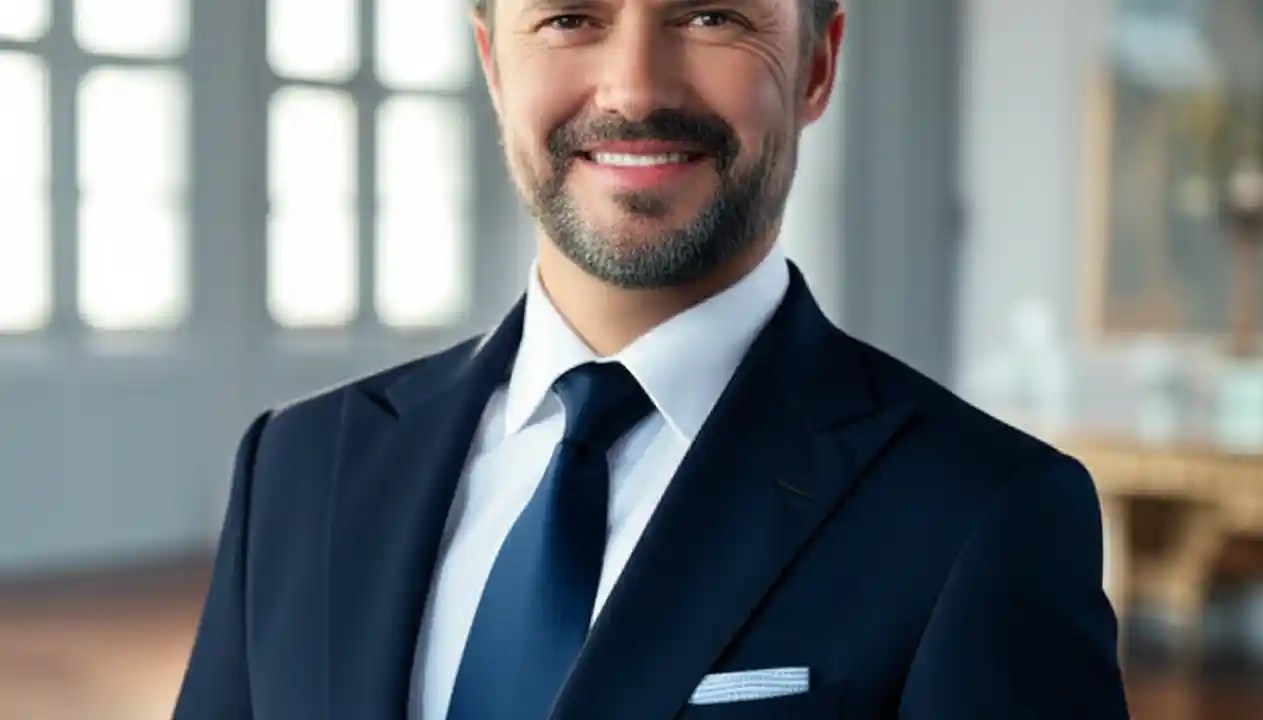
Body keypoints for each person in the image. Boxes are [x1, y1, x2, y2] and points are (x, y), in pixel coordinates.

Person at [175, 0, 1130, 717]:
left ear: (816, 64)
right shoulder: (298, 467)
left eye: (712, 14)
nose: (634, 89)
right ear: (492, 62)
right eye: (570, 16)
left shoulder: (986, 513)